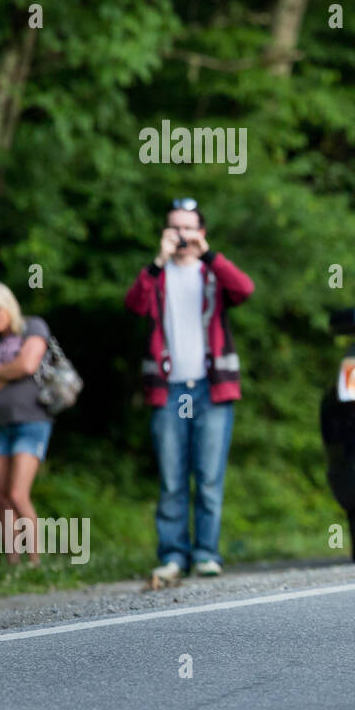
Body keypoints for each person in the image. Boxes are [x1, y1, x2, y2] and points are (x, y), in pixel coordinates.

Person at [125, 198, 253, 584]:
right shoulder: (157, 275)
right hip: (169, 391)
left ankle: (206, 554)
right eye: (174, 227)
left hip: (211, 390)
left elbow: (244, 289)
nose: (181, 234)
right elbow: (133, 305)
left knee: (209, 477)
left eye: (188, 227)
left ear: (201, 231)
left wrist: (209, 254)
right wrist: (156, 261)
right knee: (172, 478)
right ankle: (172, 556)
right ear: (166, 232)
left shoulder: (212, 272)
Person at [0, 281, 52, 565]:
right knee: (2, 496)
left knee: (17, 493)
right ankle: (12, 563)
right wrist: (8, 372)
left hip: (32, 421)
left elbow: (28, 364)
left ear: (8, 306)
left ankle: (35, 562)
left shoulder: (32, 326)